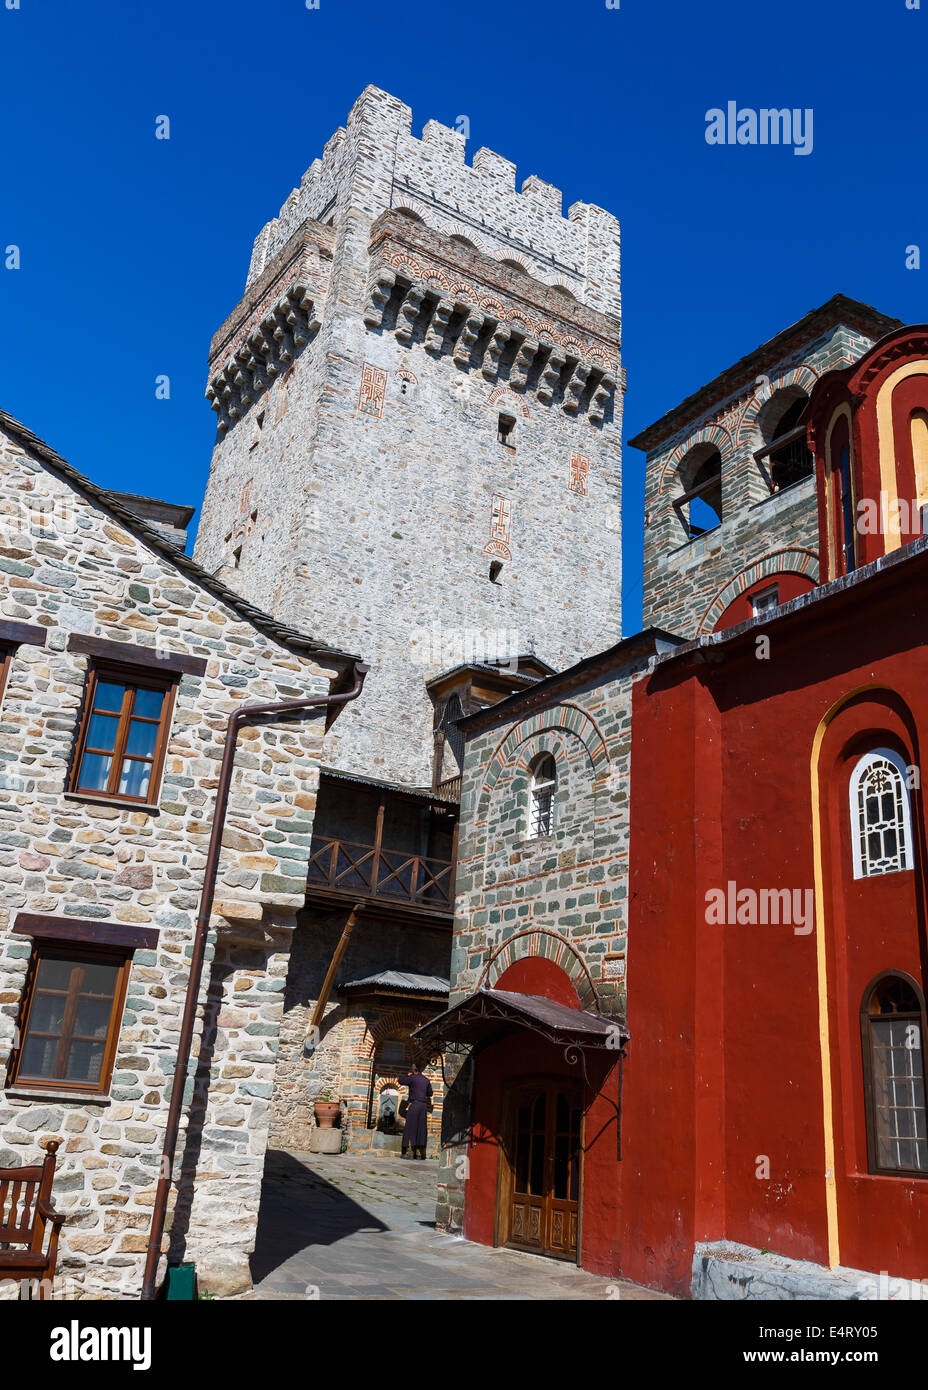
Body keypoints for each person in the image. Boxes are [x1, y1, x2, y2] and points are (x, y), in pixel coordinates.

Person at [398, 1061, 432, 1158]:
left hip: (415, 1104)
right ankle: (421, 1154)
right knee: (421, 1129)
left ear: (414, 1070)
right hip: (423, 1107)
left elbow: (400, 1080)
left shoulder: (412, 1078)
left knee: (410, 1127)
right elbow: (430, 1093)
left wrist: (408, 1075)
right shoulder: (426, 1080)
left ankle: (407, 1152)